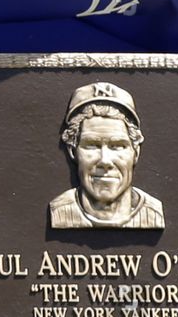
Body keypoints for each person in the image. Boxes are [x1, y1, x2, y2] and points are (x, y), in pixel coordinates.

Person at [49, 81, 165, 229]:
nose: (105, 160)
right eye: (91, 145)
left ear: (136, 152)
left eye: (117, 146)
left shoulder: (154, 214)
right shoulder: (58, 212)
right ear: (73, 151)